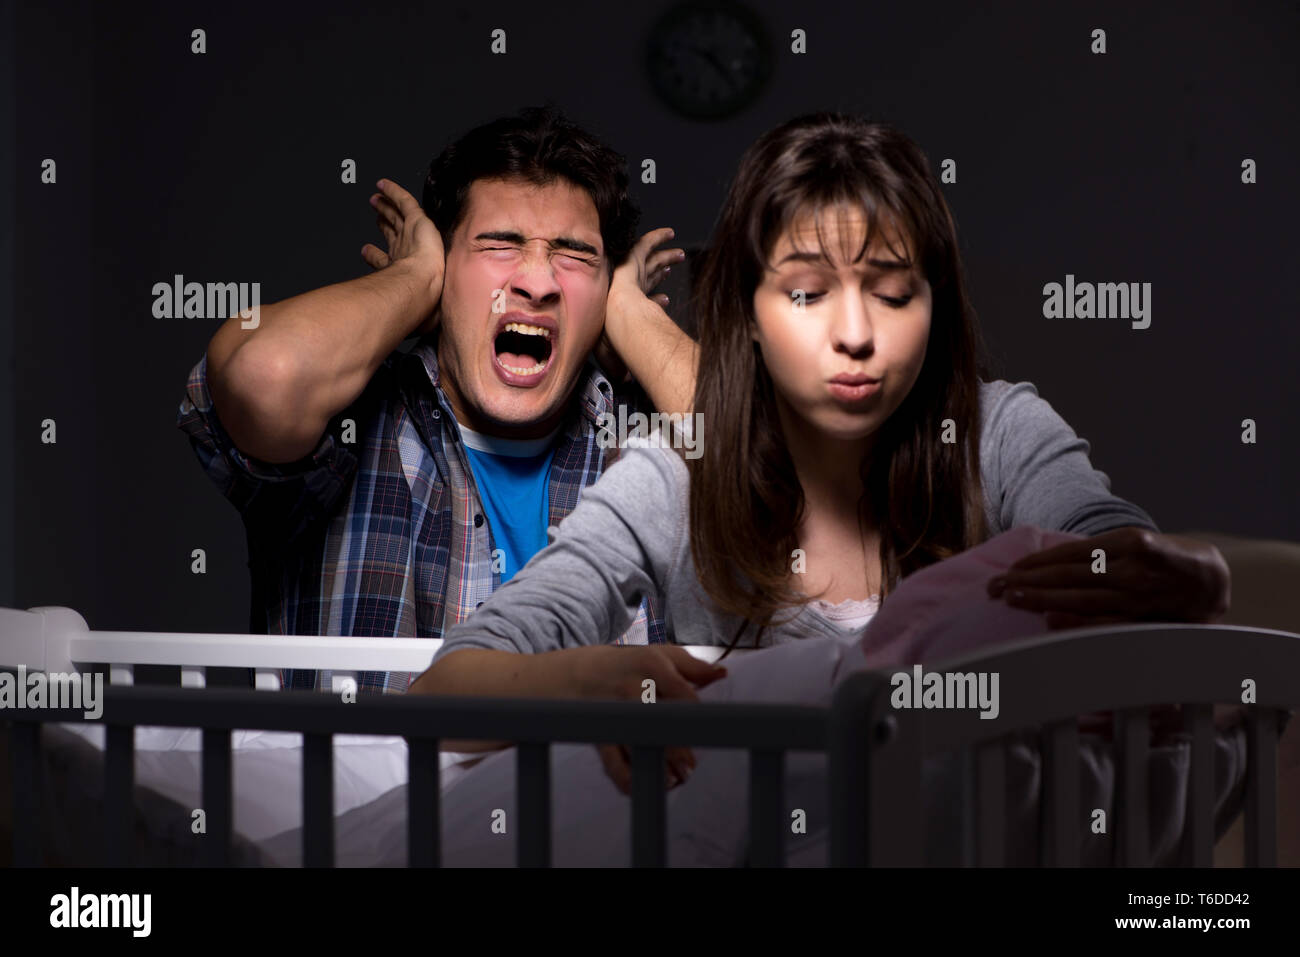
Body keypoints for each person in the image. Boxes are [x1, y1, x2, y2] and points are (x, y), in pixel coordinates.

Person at [409, 111, 1231, 801]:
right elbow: (446, 688)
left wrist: (1185, 573)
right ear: (751, 312)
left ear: (935, 308)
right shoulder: (679, 473)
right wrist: (583, 682)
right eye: (805, 292)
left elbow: (1116, 552)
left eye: (893, 291)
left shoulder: (1000, 432)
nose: (855, 335)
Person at [176, 107, 696, 692]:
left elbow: (776, 480)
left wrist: (627, 313)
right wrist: (415, 279)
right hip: (368, 788)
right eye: (499, 244)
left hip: (597, 788)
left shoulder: (645, 445)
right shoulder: (350, 428)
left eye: (575, 256)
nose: (539, 281)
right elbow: (262, 376)